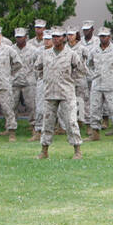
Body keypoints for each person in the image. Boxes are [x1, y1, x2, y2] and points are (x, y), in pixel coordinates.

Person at [36, 29, 87, 159]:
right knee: (47, 122)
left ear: (64, 38)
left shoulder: (71, 54)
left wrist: (70, 80)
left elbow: (81, 70)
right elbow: (38, 68)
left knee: (71, 122)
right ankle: (44, 150)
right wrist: (46, 79)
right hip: (50, 93)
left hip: (66, 93)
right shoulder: (45, 54)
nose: (55, 39)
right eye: (53, 37)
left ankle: (77, 150)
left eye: (58, 37)